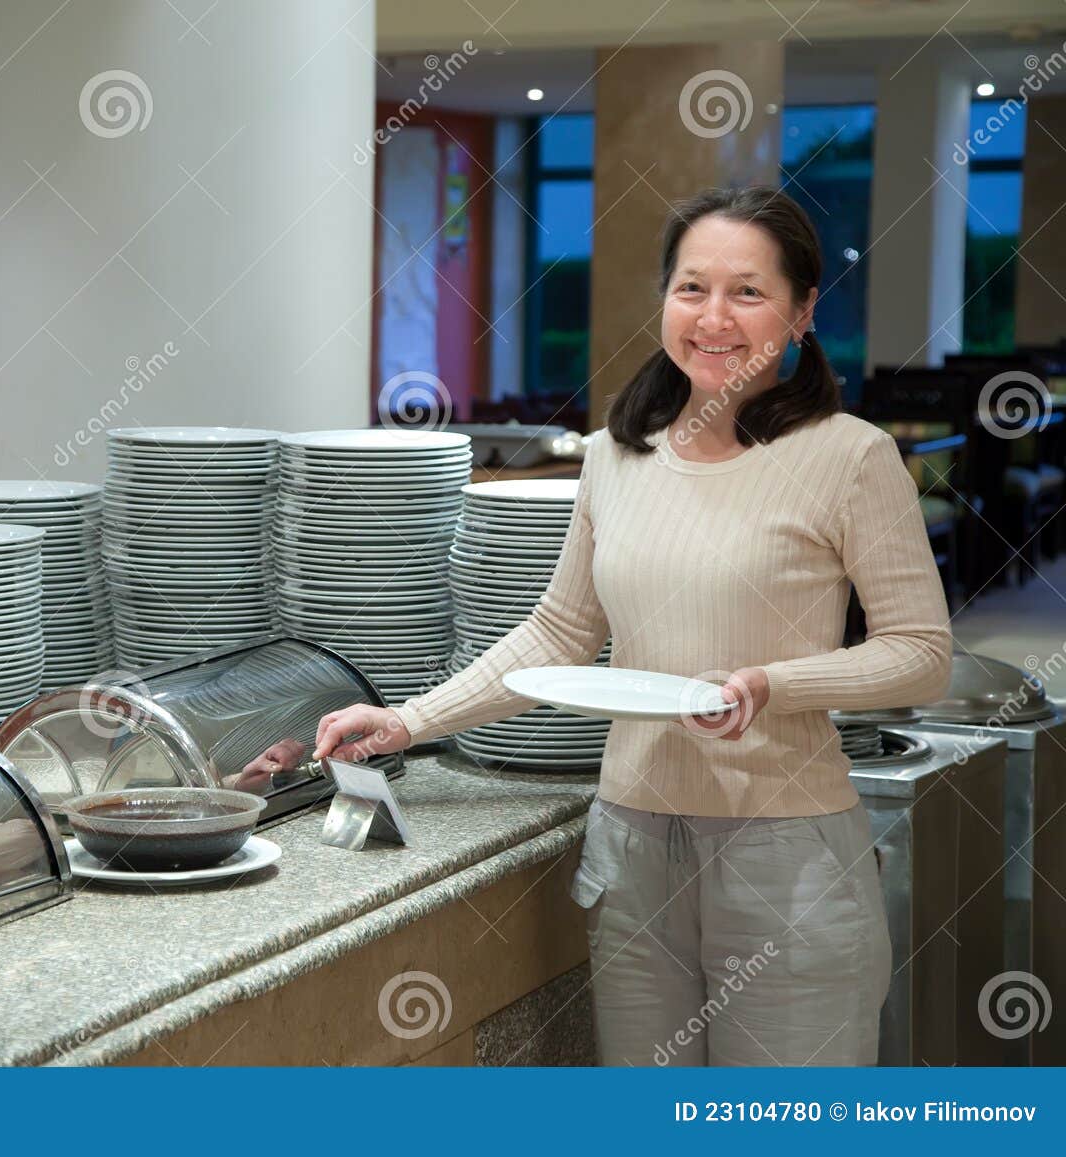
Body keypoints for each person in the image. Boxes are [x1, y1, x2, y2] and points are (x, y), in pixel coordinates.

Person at [312, 185, 953, 1067]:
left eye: (749, 291)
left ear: (803, 312)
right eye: (692, 288)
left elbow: (921, 656)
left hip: (787, 853)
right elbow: (559, 632)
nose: (714, 317)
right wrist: (408, 720)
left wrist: (775, 685)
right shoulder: (618, 454)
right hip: (631, 840)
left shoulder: (850, 455)